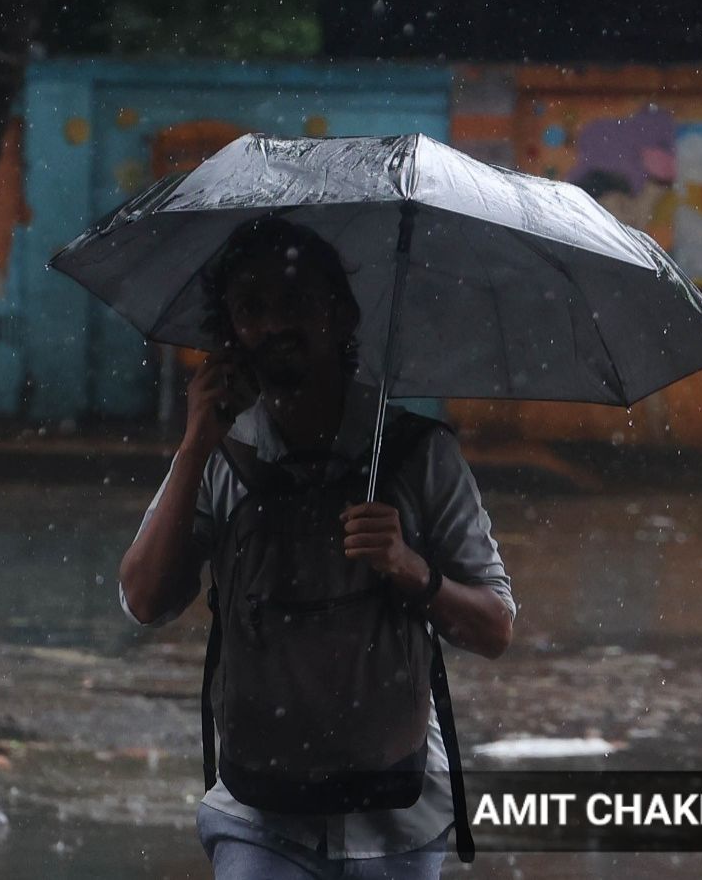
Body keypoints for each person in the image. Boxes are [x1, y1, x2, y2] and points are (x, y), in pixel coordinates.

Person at [119, 218, 515, 879]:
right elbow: (144, 601)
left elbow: (496, 628)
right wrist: (194, 446)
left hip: (400, 815)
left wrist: (412, 573)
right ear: (229, 333)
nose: (275, 324)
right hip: (259, 817)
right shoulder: (224, 457)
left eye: (297, 301)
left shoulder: (418, 455)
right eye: (251, 307)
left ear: (340, 315)